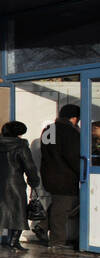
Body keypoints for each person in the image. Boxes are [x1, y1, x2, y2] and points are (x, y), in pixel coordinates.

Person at [0, 121, 40, 251]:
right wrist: (34, 181)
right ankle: (14, 242)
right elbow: (29, 166)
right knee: (18, 212)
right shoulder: (21, 146)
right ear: (19, 133)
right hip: (15, 184)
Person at [40, 103, 82, 249]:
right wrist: (81, 171)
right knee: (63, 208)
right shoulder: (70, 132)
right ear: (74, 118)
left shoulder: (48, 129)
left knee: (61, 203)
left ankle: (43, 225)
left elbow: (47, 151)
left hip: (49, 173)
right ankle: (57, 241)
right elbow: (73, 156)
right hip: (65, 176)